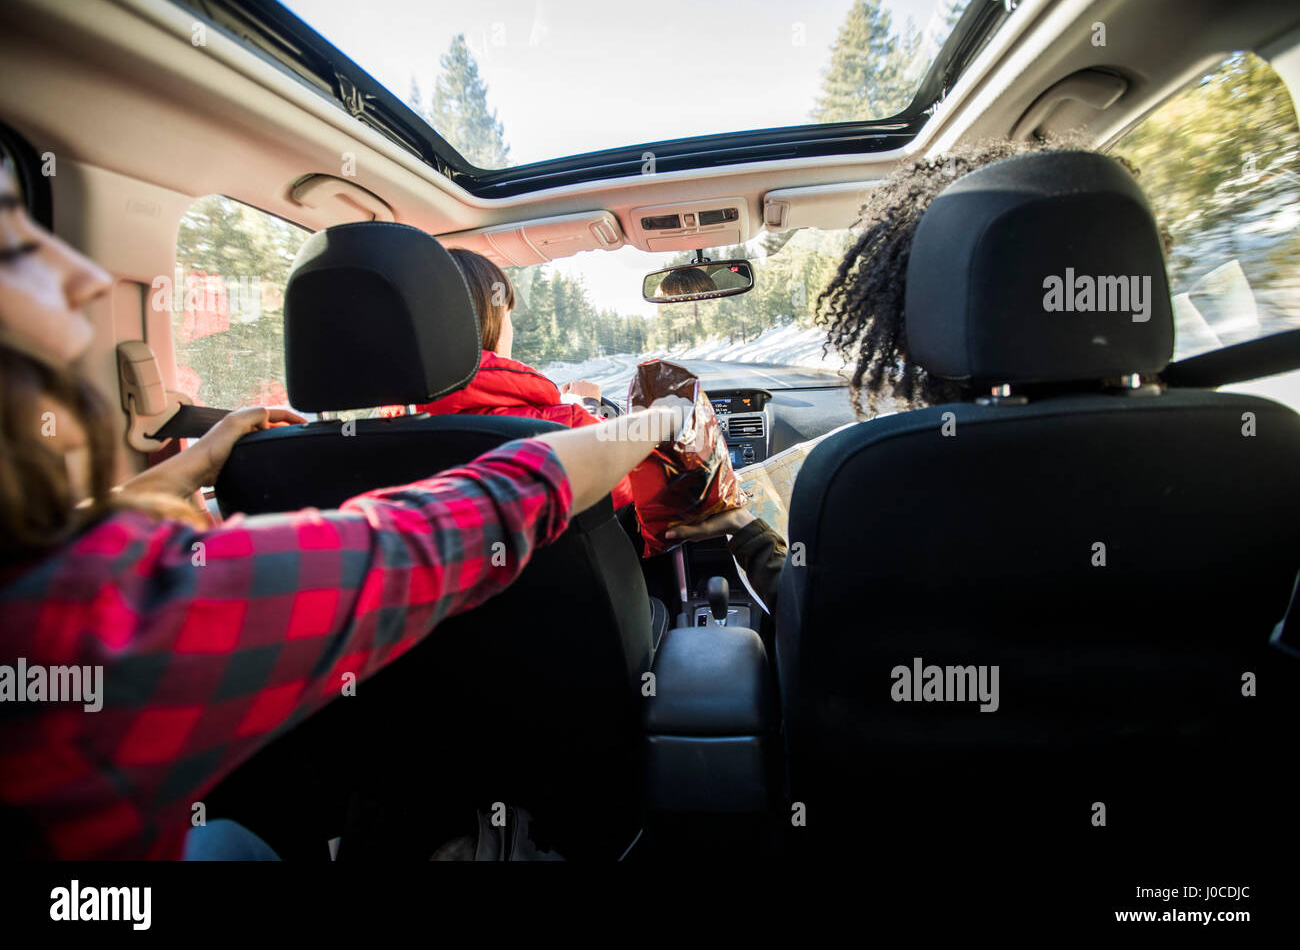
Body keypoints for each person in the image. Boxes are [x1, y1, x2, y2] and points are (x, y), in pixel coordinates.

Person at [0, 155, 682, 859]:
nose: (81, 275)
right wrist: (657, 423)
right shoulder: (117, 613)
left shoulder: (224, 484)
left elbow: (67, 530)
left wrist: (196, 465)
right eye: (15, 249)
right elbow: (466, 517)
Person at [668, 140, 1128, 610]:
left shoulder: (873, 473)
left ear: (912, 311)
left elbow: (816, 624)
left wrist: (746, 528)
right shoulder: (1203, 449)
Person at [415, 248, 634, 509]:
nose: (511, 329)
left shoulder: (380, 434)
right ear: (489, 321)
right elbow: (630, 491)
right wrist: (589, 408)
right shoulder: (564, 430)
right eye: (507, 314)